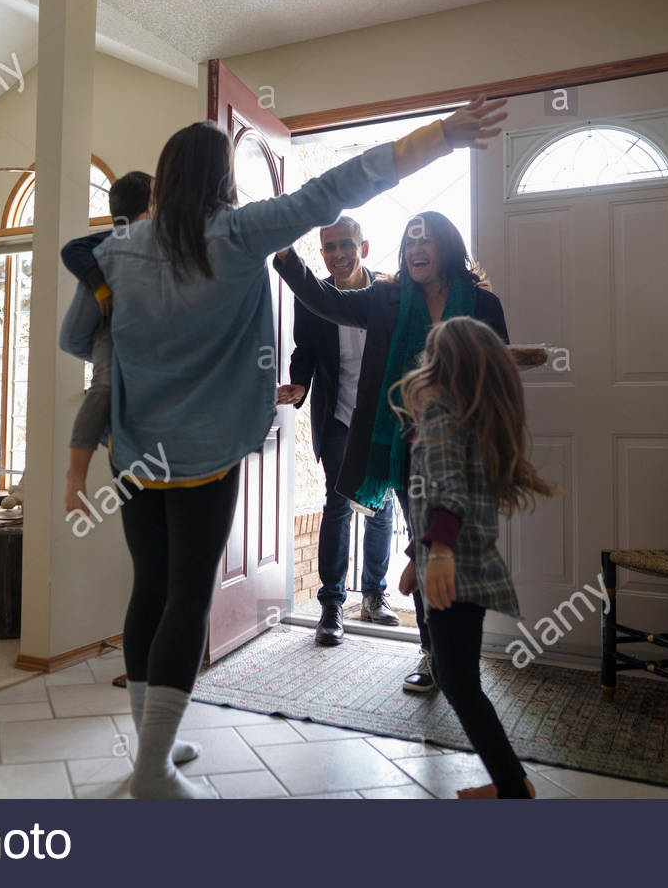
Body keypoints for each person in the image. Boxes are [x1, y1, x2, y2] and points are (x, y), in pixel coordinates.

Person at [60, 98, 507, 798]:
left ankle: (154, 745)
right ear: (222, 181)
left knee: (149, 589)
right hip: (205, 453)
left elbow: (75, 336)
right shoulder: (239, 231)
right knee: (187, 597)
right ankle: (152, 769)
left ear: (165, 179)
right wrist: (439, 137)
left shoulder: (117, 250)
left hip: (134, 452)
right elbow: (337, 187)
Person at [273, 210, 508, 693]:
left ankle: (456, 653)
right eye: (409, 241)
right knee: (425, 546)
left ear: (446, 246)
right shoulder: (387, 299)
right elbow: (325, 300)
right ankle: (433, 654)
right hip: (405, 448)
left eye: (426, 240)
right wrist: (285, 254)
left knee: (455, 550)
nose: (416, 248)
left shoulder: (483, 304)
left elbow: (500, 377)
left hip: (464, 453)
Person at [393, 316, 556, 797]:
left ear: (444, 370)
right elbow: (437, 496)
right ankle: (510, 782)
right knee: (455, 675)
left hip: (455, 572)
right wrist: (416, 556)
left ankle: (512, 788)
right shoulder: (467, 421)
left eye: (429, 359)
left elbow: (447, 492)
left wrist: (440, 554)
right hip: (456, 568)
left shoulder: (443, 417)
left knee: (459, 681)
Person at [276, 215, 398, 645]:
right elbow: (305, 350)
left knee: (381, 504)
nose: (338, 254)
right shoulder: (313, 296)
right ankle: (331, 604)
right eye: (329, 247)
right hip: (339, 416)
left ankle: (374, 595)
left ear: (363, 248)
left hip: (383, 418)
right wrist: (299, 384)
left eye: (346, 244)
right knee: (338, 502)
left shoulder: (387, 293)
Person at [60, 171, 153, 515]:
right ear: (148, 210)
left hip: (140, 342)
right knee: (104, 386)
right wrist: (99, 286)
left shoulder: (160, 242)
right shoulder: (117, 240)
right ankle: (76, 475)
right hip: (109, 329)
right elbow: (73, 249)